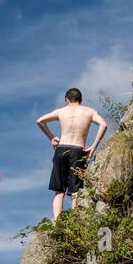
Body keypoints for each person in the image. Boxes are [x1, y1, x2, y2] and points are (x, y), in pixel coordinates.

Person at [37, 88, 107, 219]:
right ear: (81, 100)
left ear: (66, 100)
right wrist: (92, 147)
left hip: (61, 149)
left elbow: (40, 121)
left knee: (59, 191)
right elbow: (103, 125)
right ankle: (74, 221)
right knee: (76, 191)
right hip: (78, 150)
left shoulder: (61, 111)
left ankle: (57, 222)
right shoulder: (90, 112)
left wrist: (52, 137)